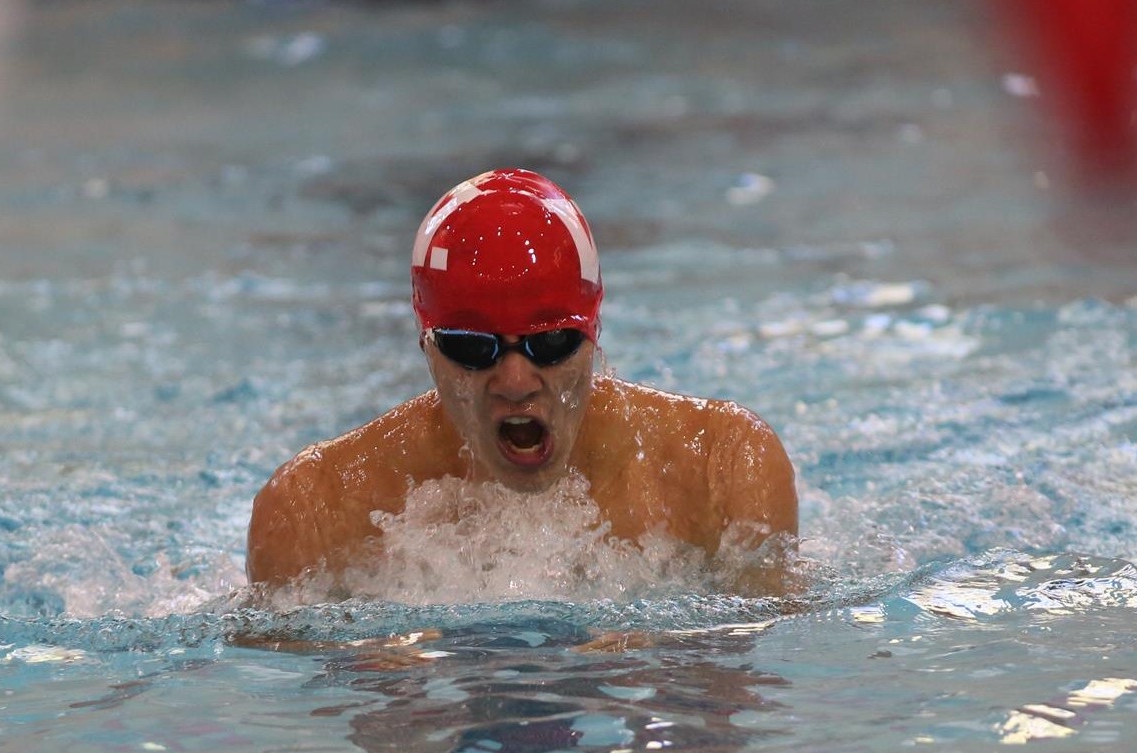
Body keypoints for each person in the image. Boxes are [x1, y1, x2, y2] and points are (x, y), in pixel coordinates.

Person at [245, 168, 798, 597]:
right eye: (473, 348)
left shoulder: (721, 470)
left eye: (550, 343)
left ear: (593, 332)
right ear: (426, 344)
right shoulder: (314, 514)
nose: (514, 381)